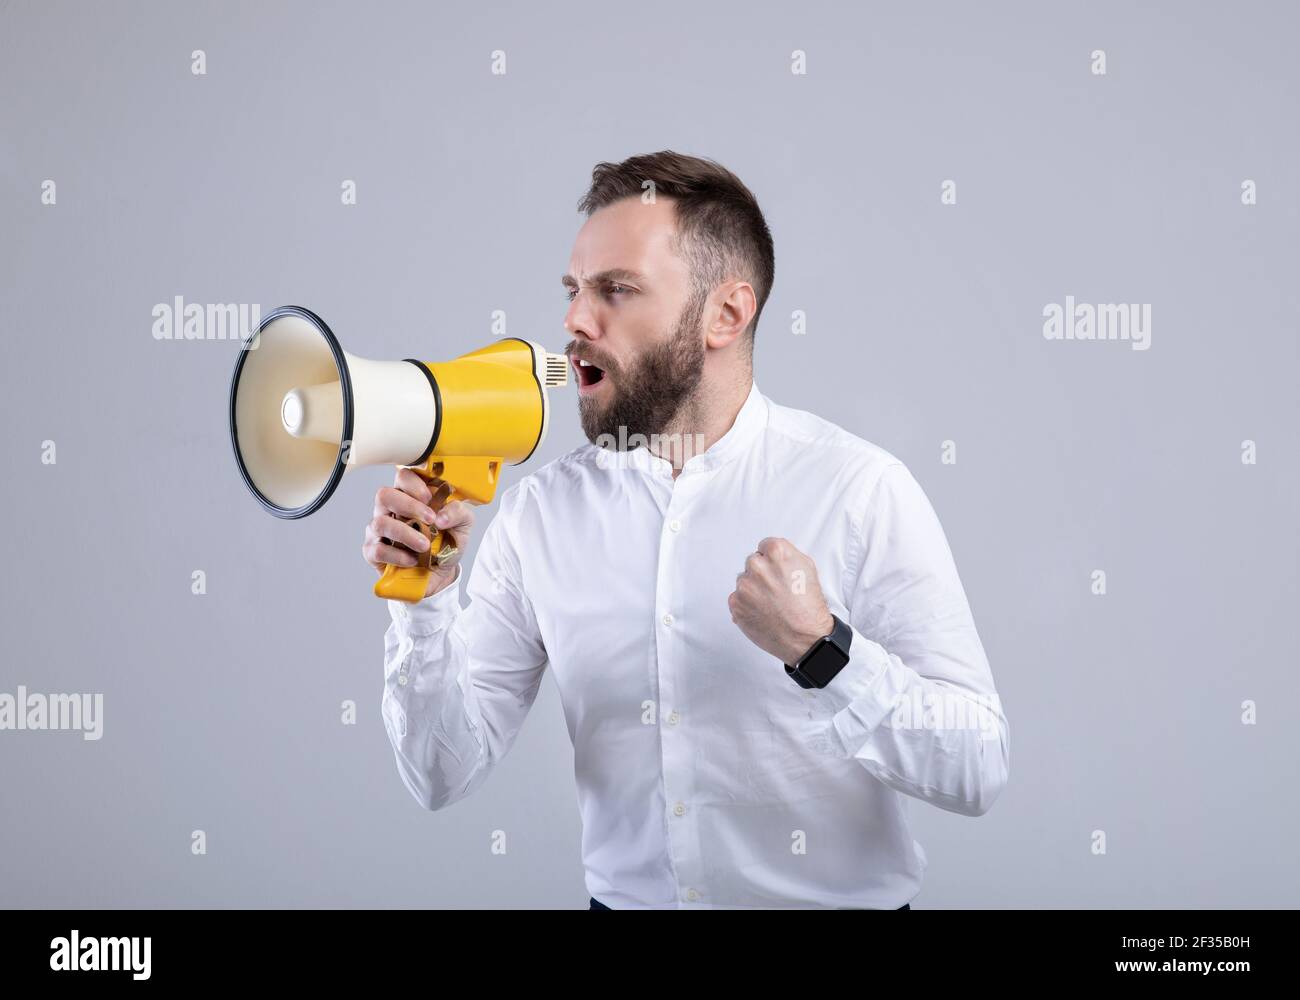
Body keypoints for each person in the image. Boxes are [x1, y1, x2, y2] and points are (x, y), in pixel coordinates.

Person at [362, 151, 1009, 909]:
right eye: (574, 291)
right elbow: (442, 773)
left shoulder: (860, 490)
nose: (574, 321)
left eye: (617, 290)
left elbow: (977, 768)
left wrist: (823, 650)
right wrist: (425, 606)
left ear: (726, 315)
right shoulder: (540, 517)